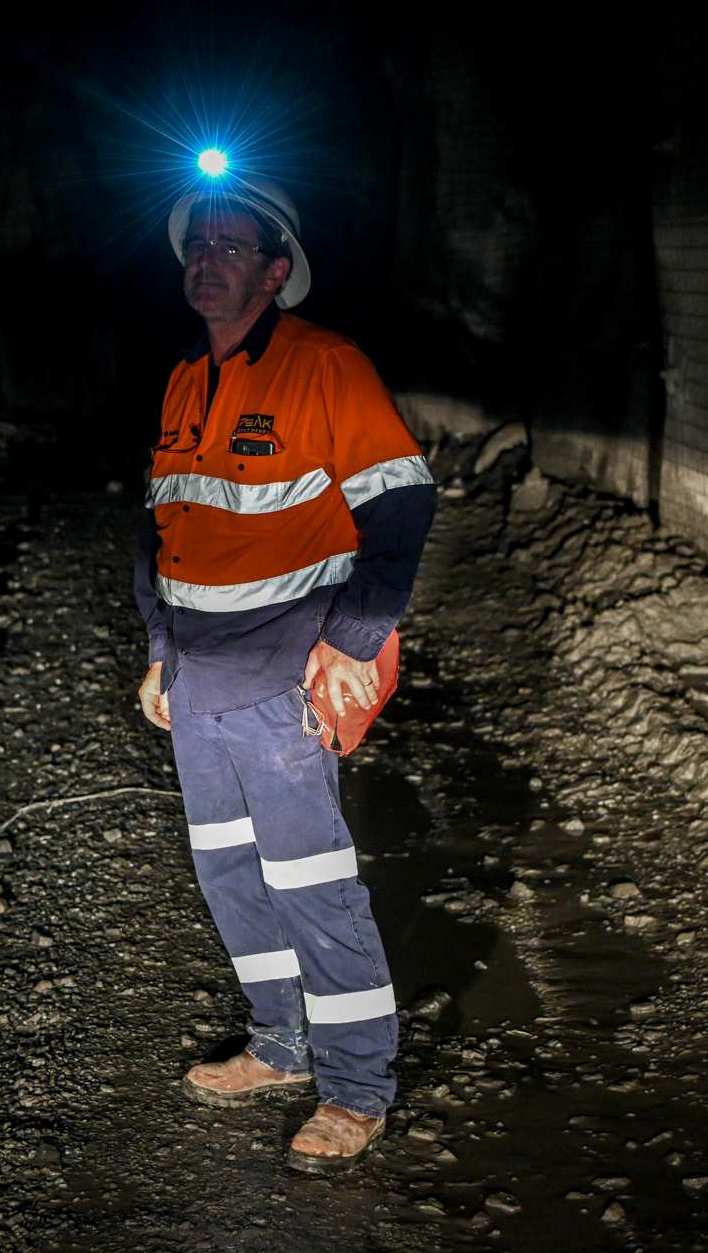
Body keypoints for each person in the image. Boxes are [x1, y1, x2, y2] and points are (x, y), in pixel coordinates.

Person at [132, 178, 436, 1173]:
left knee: (309, 879)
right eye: (197, 242)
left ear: (273, 272)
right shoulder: (184, 376)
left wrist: (353, 638)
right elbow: (160, 530)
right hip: (201, 674)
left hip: (284, 670)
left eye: (230, 245)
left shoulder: (324, 365)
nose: (206, 257)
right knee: (226, 869)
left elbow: (399, 506)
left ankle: (355, 1088)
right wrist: (158, 650)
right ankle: (281, 1045)